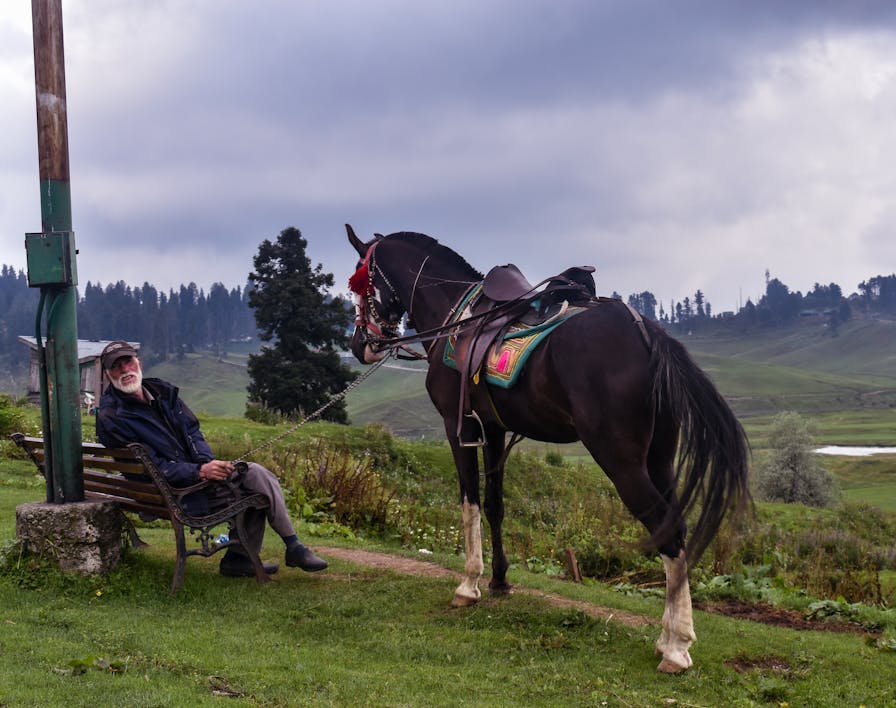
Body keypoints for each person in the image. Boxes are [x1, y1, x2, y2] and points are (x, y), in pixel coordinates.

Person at [95, 340, 328, 578]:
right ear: (107, 374)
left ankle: (262, 554)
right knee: (255, 485)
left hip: (190, 480)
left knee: (255, 474)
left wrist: (205, 463)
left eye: (128, 362)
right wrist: (198, 473)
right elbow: (149, 468)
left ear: (139, 362)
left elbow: (192, 431)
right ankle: (270, 552)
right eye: (117, 367)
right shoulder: (112, 417)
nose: (125, 370)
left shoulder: (162, 392)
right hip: (175, 493)